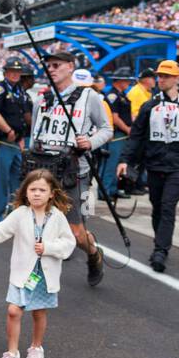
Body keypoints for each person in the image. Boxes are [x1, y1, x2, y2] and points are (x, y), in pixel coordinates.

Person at [0, 169, 77, 358]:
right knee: (13, 311)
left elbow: (69, 243)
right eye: (32, 189)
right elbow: (0, 231)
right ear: (25, 192)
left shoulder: (57, 217)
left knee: (38, 312)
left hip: (44, 276)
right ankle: (12, 353)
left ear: (51, 193)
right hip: (23, 274)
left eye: (42, 189)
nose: (37, 193)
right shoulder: (21, 214)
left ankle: (36, 347)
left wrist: (49, 248)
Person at [27, 49, 113, 286]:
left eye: (56, 65)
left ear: (70, 67)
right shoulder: (42, 99)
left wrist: (90, 142)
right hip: (43, 171)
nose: (51, 69)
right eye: (49, 66)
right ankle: (38, 278)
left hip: (74, 172)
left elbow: (107, 129)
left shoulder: (89, 96)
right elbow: (35, 135)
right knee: (38, 228)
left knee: (76, 233)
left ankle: (93, 253)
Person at [118, 60, 179, 272]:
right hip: (155, 164)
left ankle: (161, 250)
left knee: (168, 206)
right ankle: (160, 243)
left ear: (177, 78)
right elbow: (136, 136)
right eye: (159, 76)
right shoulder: (149, 105)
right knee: (157, 207)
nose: (161, 79)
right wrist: (124, 160)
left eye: (166, 76)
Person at [98, 68, 134, 201]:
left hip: (122, 134)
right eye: (127, 80)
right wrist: (127, 129)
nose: (129, 83)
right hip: (117, 134)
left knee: (117, 163)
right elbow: (114, 117)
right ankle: (104, 191)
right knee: (110, 164)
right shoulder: (112, 96)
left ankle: (112, 189)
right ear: (120, 80)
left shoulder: (121, 95)